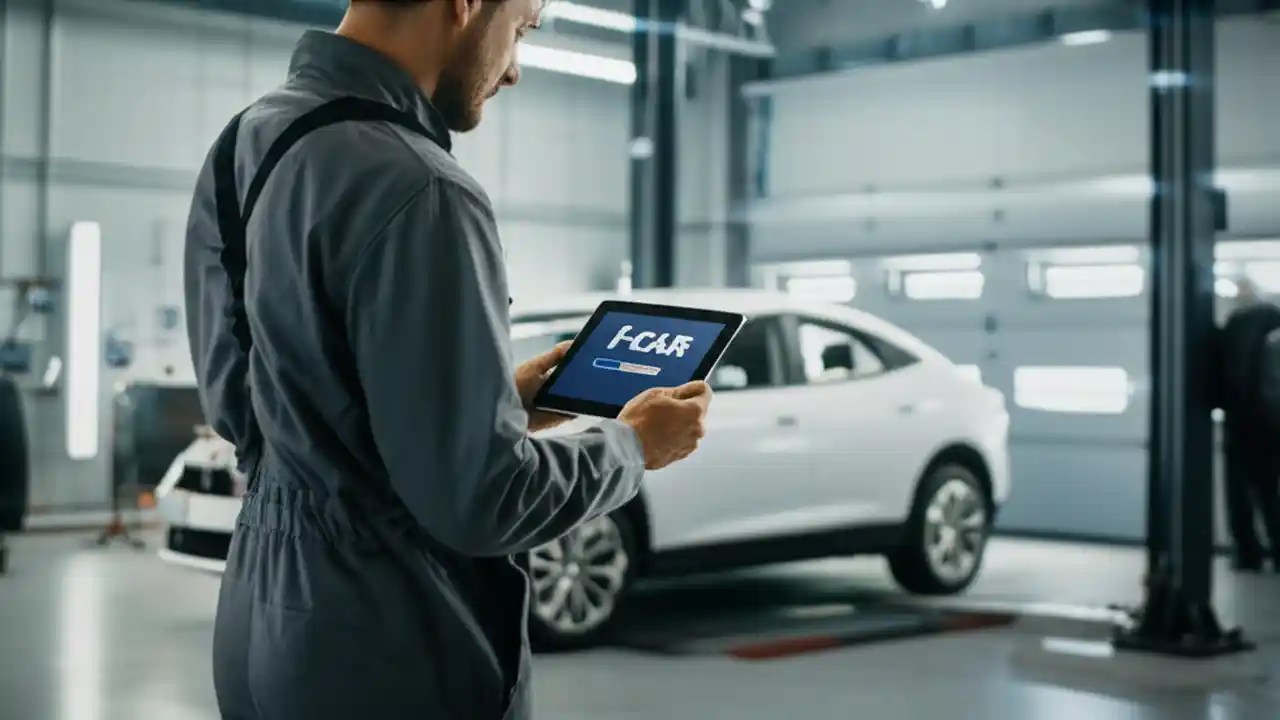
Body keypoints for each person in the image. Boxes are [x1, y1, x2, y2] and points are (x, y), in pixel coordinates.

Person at [183, 1, 713, 718]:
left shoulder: (250, 141)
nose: (516, 69)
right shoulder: (421, 186)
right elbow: (483, 500)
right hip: (390, 641)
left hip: (263, 623)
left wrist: (498, 402)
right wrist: (633, 446)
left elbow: (258, 410)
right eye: (522, 27)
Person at [1218, 278, 1280, 573]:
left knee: (1239, 494)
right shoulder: (1273, 320)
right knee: (1270, 492)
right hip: (1269, 423)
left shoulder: (1233, 325)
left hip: (1239, 422)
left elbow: (1225, 375)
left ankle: (1248, 554)